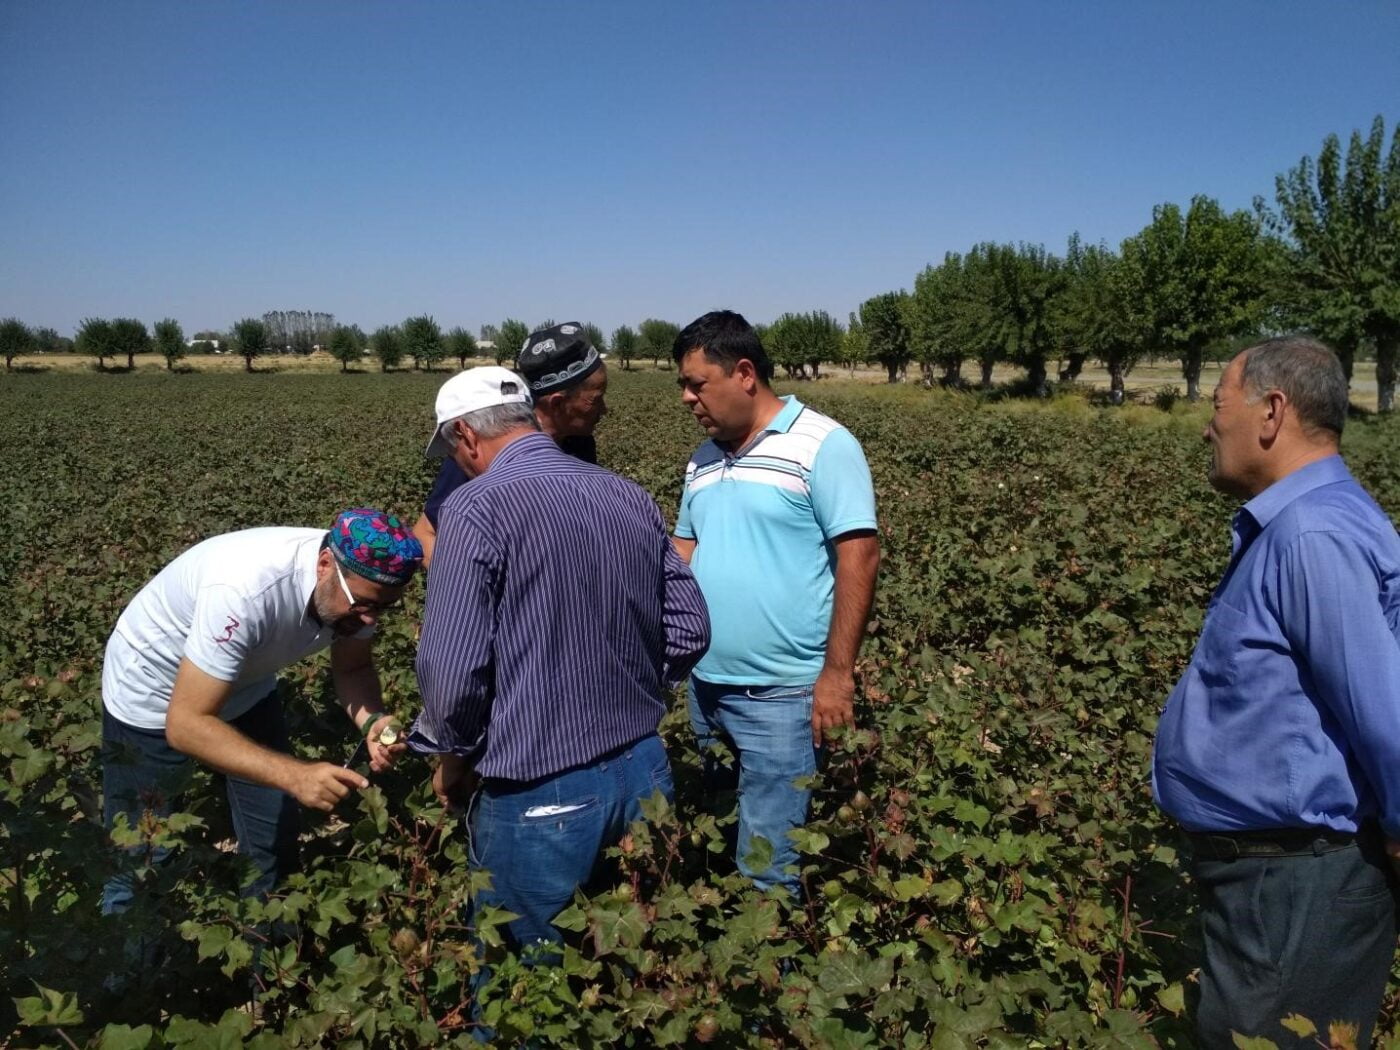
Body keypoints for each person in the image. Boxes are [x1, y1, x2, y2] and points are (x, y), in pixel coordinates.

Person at [408, 365, 710, 960]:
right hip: (645, 771)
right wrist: (634, 689)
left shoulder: (474, 508)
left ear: (466, 436)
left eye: (452, 447)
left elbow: (450, 675)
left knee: (527, 988)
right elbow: (690, 627)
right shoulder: (625, 494)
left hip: (540, 795)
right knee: (628, 962)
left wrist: (452, 756)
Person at [1151, 337, 1400, 1045]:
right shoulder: (1312, 522)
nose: (1209, 424)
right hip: (1279, 886)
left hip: (1296, 891)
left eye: (1219, 404)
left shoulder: (1311, 535)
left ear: (1272, 412)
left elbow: (1387, 715)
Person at [100, 509, 423, 913]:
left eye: (383, 609)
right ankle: (130, 964)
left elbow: (353, 666)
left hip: (245, 684)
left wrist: (373, 720)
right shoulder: (244, 590)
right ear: (325, 565)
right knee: (146, 851)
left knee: (273, 830)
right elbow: (185, 725)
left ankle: (268, 956)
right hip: (152, 694)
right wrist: (295, 774)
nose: (369, 620)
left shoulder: (361, 586)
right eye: (364, 605)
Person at [670, 310, 880, 895]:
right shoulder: (702, 460)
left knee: (768, 865)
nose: (687, 399)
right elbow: (682, 551)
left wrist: (837, 675)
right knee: (715, 832)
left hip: (782, 695)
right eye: (682, 388)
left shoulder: (823, 445)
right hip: (704, 687)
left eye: (696, 384)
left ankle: (775, 977)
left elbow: (859, 556)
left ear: (743, 373)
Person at [411, 322, 608, 565]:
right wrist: (467, 584)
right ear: (557, 404)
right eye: (595, 400)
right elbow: (426, 533)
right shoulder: (484, 447)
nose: (604, 410)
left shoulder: (581, 445)